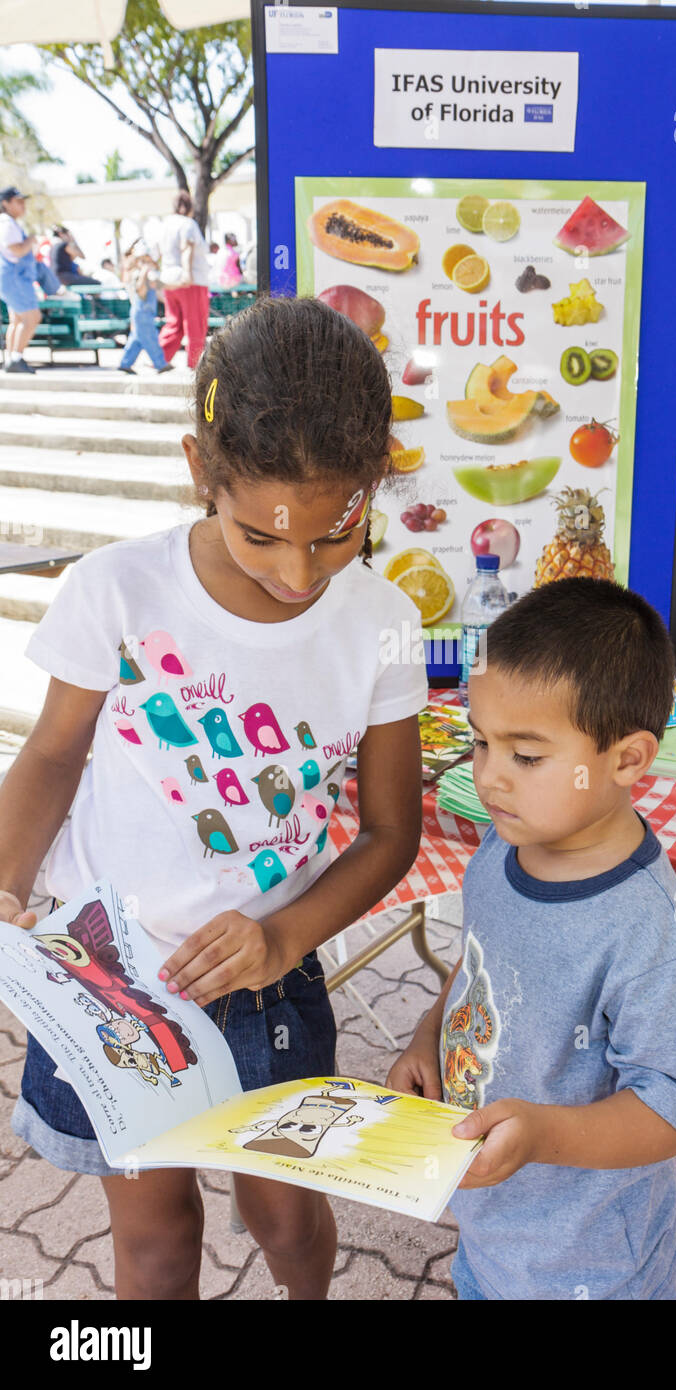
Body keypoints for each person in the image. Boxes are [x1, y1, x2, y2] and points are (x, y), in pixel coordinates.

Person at [0, 296, 428, 1300]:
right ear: (202, 470)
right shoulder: (115, 589)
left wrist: (282, 941)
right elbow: (53, 757)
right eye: (262, 536)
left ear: (374, 485)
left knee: (284, 1203)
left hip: (269, 983)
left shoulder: (385, 620)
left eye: (334, 534)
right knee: (153, 1230)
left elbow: (390, 831)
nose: (297, 571)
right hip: (109, 979)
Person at [388, 577, 676, 1301]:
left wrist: (542, 1136)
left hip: (594, 1268)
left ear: (628, 760)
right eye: (480, 742)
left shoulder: (651, 938)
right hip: (490, 1231)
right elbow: (478, 959)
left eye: (527, 757)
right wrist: (426, 1036)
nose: (488, 778)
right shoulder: (501, 845)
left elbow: (670, 1111)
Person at [158, 191, 210, 369]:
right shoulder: (188, 224)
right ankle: (194, 364)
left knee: (174, 323)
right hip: (190, 280)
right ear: (187, 207)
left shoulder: (164, 224)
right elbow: (186, 247)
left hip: (169, 279)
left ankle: (159, 358)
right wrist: (187, 274)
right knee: (195, 323)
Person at [0, 186, 42, 373]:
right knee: (32, 317)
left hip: (11, 277)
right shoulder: (7, 223)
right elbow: (15, 249)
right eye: (18, 201)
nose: (22, 205)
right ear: (5, 203)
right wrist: (31, 240)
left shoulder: (7, 222)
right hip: (15, 277)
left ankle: (12, 359)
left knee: (17, 319)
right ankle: (16, 357)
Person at [118, 243, 172, 375]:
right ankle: (160, 363)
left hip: (144, 312)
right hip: (142, 312)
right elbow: (140, 292)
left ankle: (125, 363)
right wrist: (145, 271)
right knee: (150, 338)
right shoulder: (140, 273)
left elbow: (159, 290)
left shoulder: (146, 274)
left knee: (136, 340)